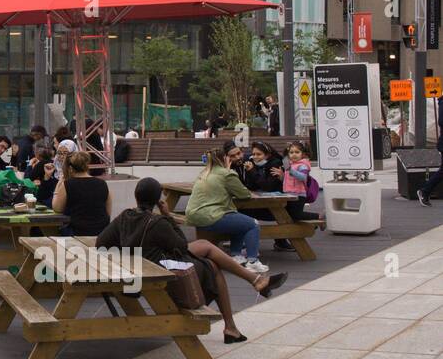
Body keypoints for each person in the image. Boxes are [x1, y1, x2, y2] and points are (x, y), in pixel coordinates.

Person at [97, 178, 287, 344]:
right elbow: (180, 245)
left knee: (205, 245)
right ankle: (237, 314)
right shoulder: (158, 223)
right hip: (159, 269)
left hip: (144, 265)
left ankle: (254, 283)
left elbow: (101, 242)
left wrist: (127, 250)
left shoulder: (125, 217)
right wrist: (168, 216)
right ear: (157, 200)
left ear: (136, 196)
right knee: (212, 265)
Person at [186, 147, 268, 273]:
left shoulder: (204, 173)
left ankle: (236, 256)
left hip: (194, 214)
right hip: (212, 215)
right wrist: (229, 171)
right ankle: (253, 261)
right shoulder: (227, 174)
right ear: (225, 159)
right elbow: (244, 194)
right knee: (253, 225)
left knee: (239, 221)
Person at [51, 151, 112, 236]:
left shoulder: (67, 184)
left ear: (70, 168)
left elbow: (57, 208)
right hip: (102, 232)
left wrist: (58, 186)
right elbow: (108, 212)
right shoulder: (102, 183)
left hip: (77, 231)